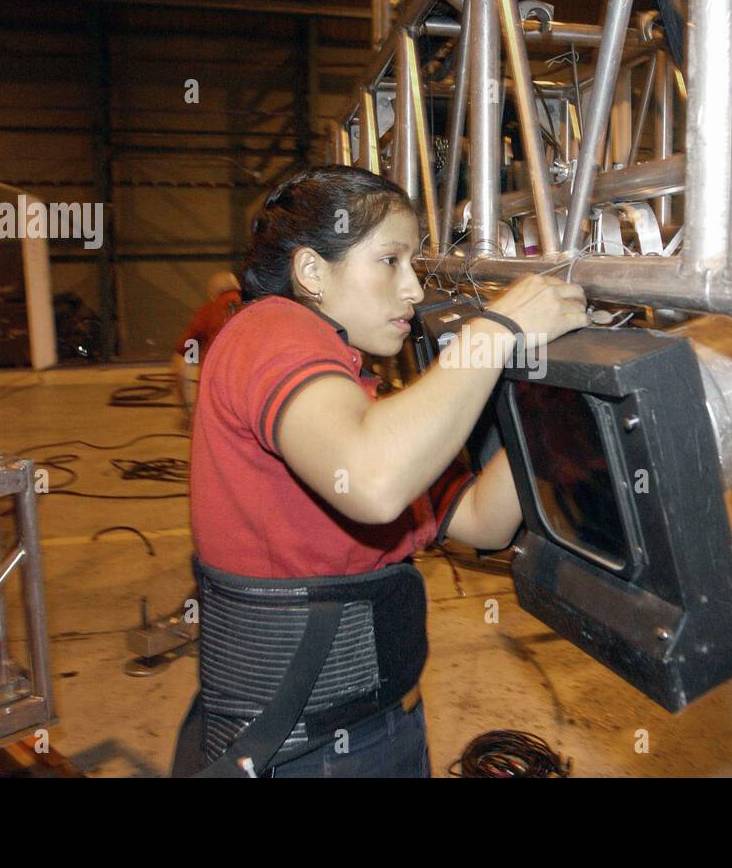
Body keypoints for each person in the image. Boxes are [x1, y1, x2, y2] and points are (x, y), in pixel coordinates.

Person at [171, 165, 586, 777]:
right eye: (390, 261)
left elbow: (482, 521)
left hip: (376, 725)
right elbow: (372, 480)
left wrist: (557, 406)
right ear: (311, 271)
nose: (415, 289)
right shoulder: (268, 330)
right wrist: (491, 335)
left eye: (413, 264)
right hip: (299, 750)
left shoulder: (358, 399)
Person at [172, 271, 242, 423]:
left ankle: (192, 416)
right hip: (252, 377)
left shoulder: (209, 310)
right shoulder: (255, 305)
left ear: (213, 294)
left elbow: (186, 345)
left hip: (220, 378)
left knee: (183, 361)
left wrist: (195, 363)